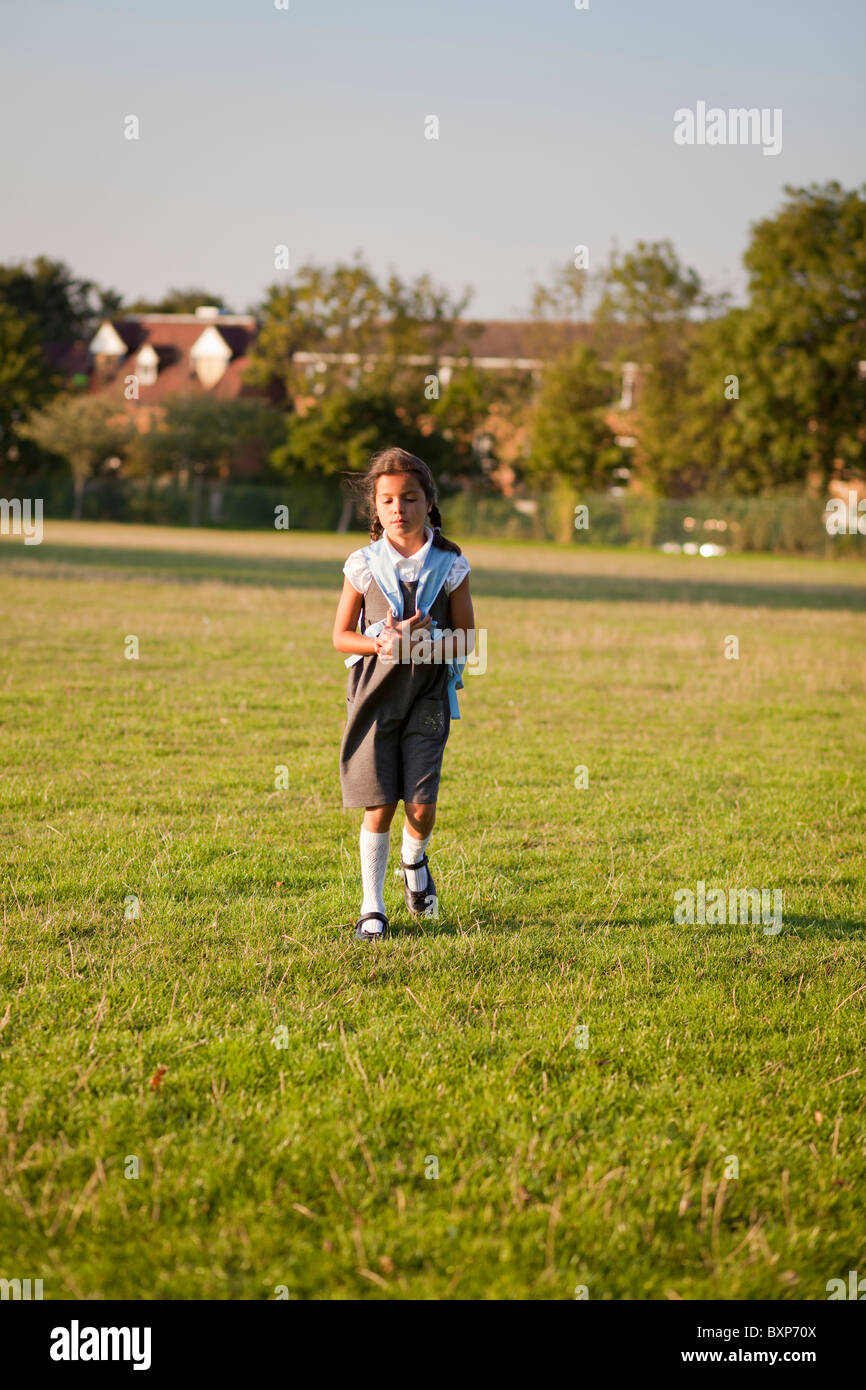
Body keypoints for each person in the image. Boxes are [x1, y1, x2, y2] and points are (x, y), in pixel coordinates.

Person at [332, 447, 475, 940]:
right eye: (388, 499)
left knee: (420, 803)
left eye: (410, 498)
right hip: (374, 694)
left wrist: (426, 642)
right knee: (380, 803)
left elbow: (468, 640)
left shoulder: (451, 564)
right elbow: (339, 637)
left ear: (428, 502)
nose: (399, 509)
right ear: (375, 506)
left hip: (427, 695)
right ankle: (373, 908)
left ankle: (415, 863)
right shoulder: (363, 564)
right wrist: (381, 641)